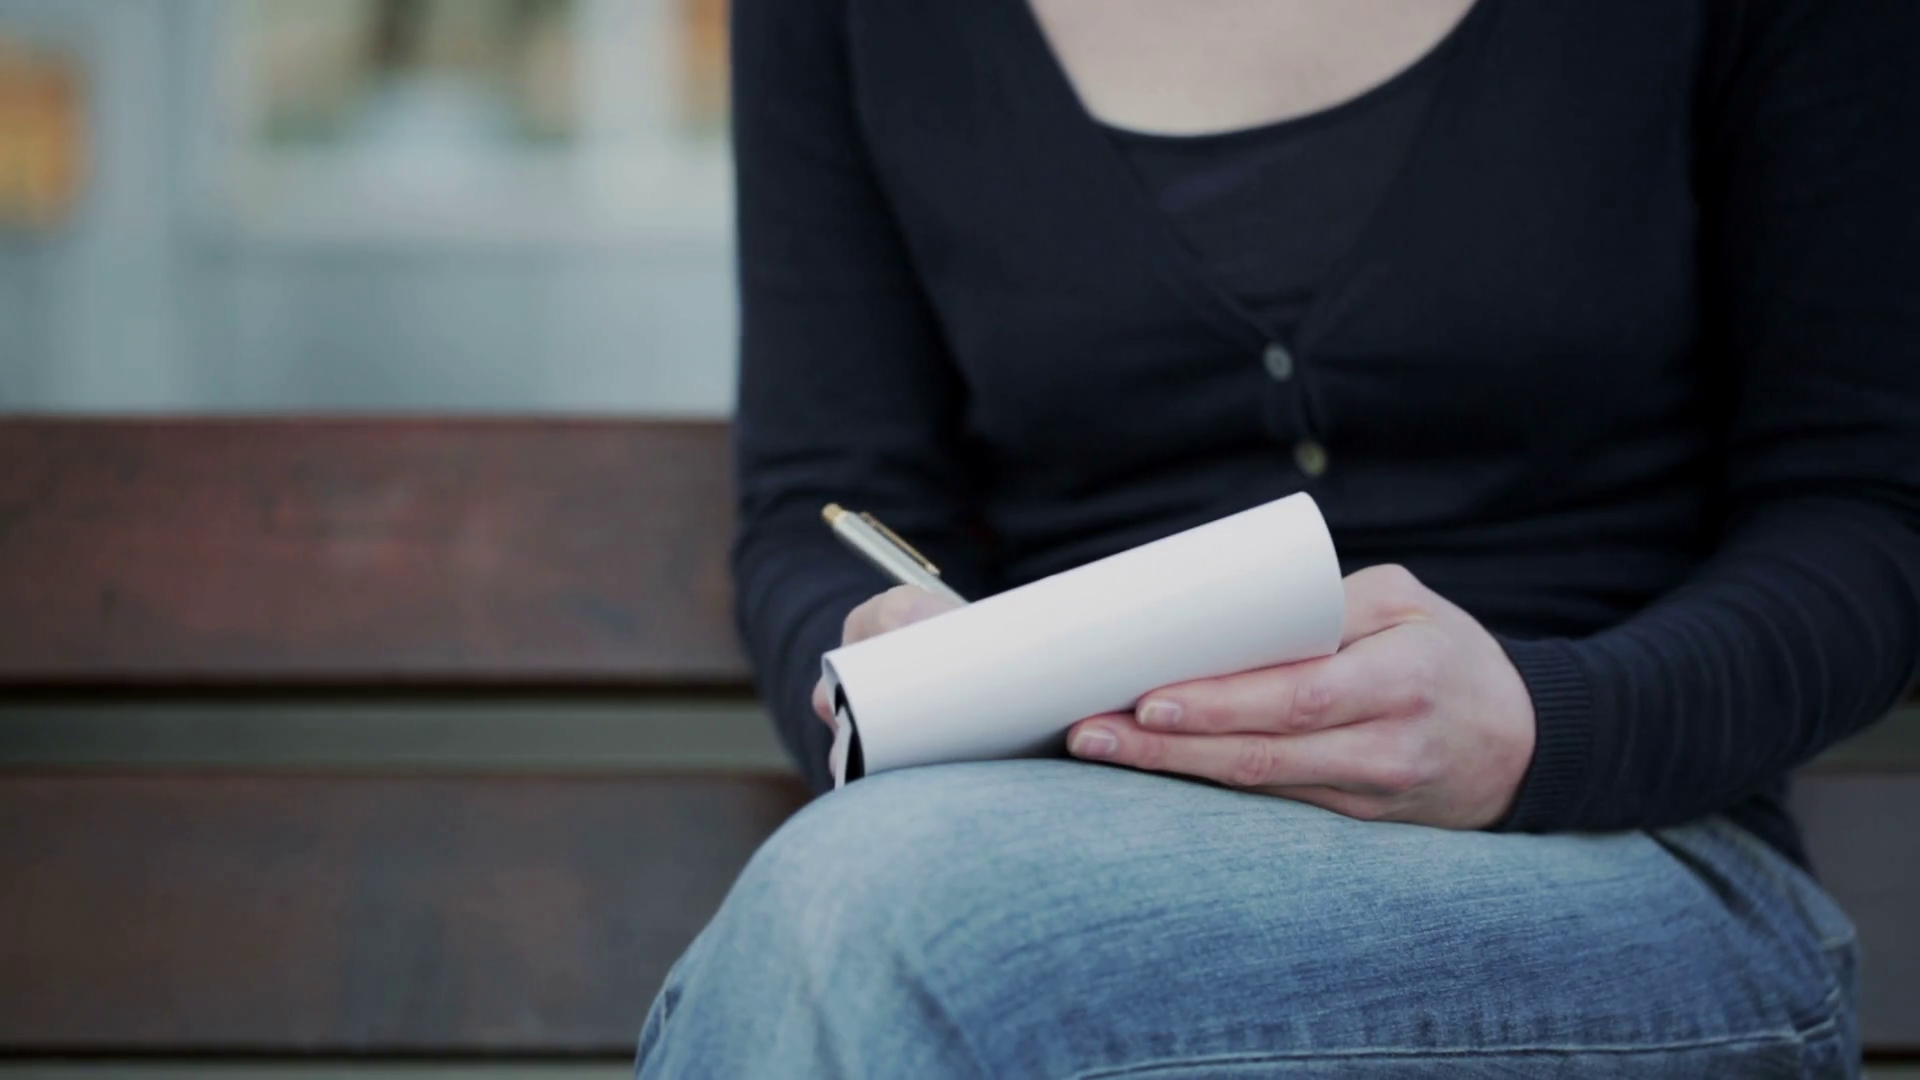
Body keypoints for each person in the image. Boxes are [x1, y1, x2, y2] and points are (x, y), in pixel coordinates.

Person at [638, 1, 1919, 1075]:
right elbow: (828, 502)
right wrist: (894, 670)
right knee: (873, 918)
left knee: (873, 930)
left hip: (1621, 854)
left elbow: (1871, 509)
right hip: (1042, 850)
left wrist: (1547, 728)